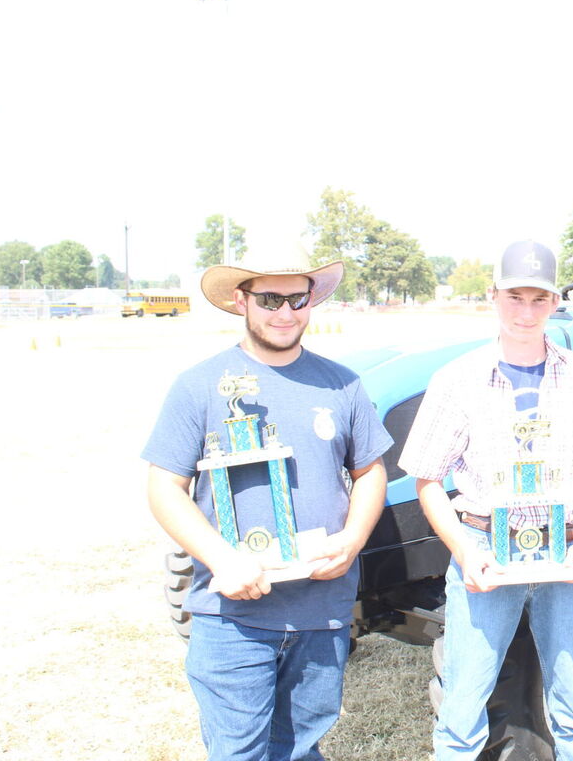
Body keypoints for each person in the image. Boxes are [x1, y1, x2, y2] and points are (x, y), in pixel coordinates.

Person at [143, 241, 393, 761]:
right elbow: (165, 488)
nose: (286, 313)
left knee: (301, 749)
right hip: (231, 614)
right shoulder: (199, 386)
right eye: (270, 299)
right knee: (238, 753)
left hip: (320, 611)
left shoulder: (342, 385)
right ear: (242, 300)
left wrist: (351, 541)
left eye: (297, 300)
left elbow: (371, 471)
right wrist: (222, 559)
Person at [399, 239, 573, 761]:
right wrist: (463, 550)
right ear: (493, 297)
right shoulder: (457, 380)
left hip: (565, 553)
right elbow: (428, 480)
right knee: (461, 709)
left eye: (539, 299)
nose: (526, 311)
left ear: (554, 303)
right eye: (514, 297)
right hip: (484, 548)